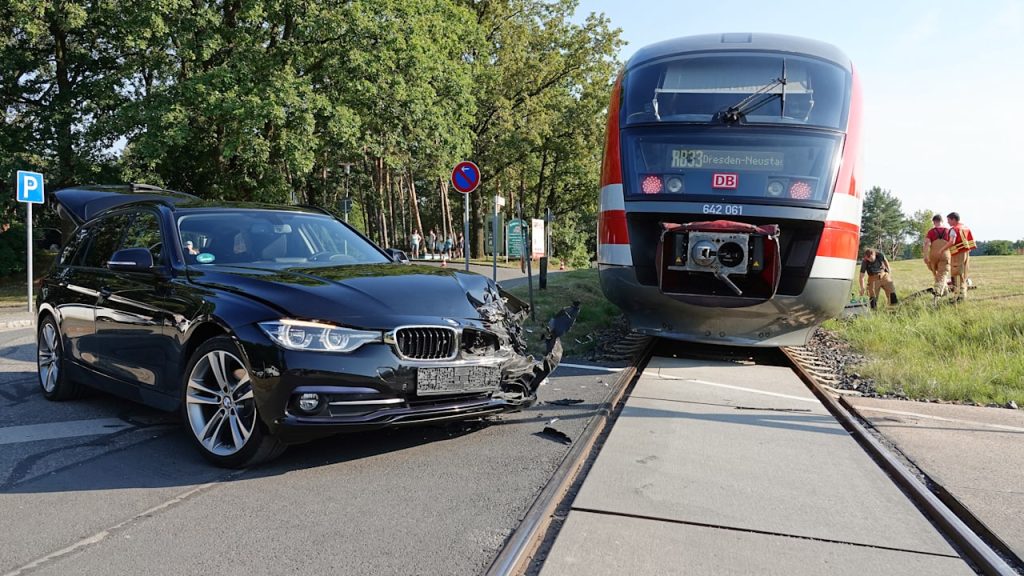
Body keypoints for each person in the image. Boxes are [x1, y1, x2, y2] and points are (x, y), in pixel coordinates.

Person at [941, 212, 976, 302]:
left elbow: (952, 242)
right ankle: (963, 295)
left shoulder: (954, 229)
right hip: (966, 253)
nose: (948, 222)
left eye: (948, 220)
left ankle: (957, 297)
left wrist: (942, 249)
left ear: (953, 219)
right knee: (963, 274)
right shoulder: (964, 227)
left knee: (956, 274)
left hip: (957, 254)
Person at [922, 214, 950, 300]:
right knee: (943, 273)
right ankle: (937, 293)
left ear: (934, 222)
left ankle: (945, 291)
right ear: (942, 221)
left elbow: (926, 244)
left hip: (933, 256)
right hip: (944, 255)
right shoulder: (948, 231)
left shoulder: (931, 232)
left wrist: (926, 256)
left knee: (937, 275)